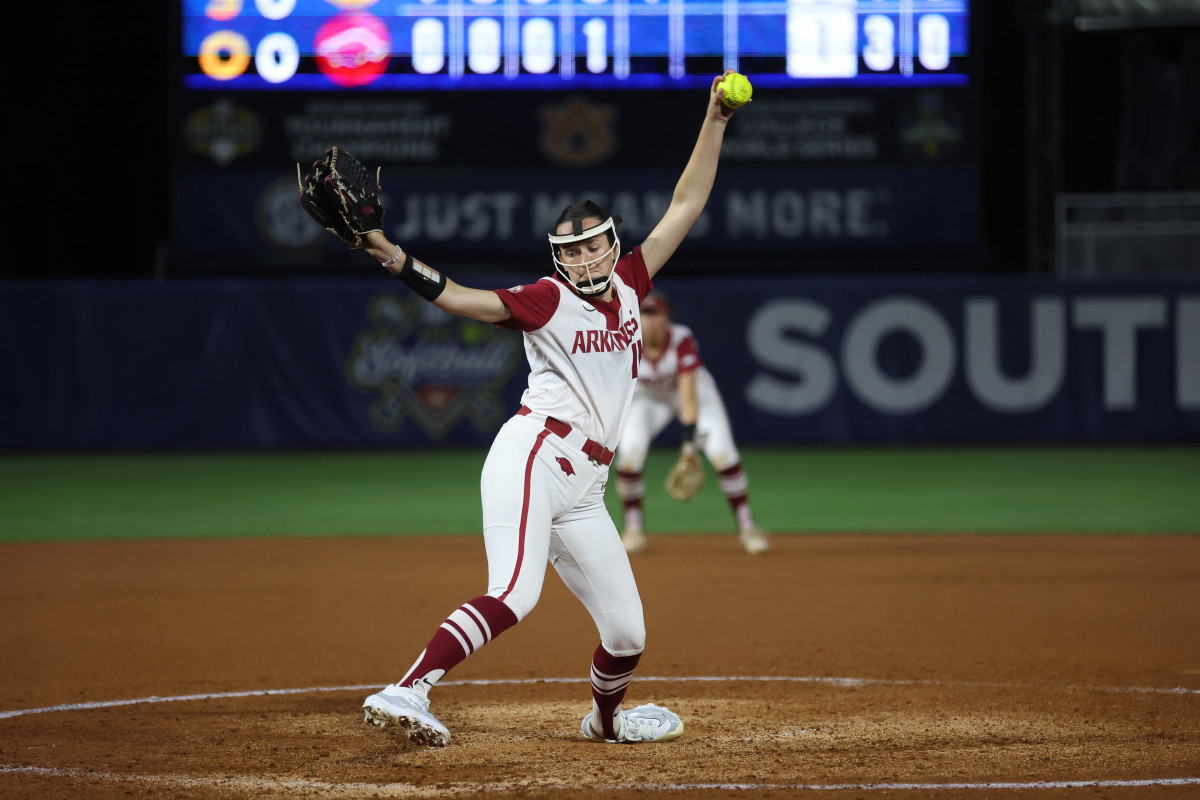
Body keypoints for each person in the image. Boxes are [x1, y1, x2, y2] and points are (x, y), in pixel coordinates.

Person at [352, 72, 745, 747]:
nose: (584, 256)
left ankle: (607, 720)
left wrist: (715, 119)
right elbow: (460, 297)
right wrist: (393, 258)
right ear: (557, 259)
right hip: (536, 455)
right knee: (514, 594)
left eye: (593, 244)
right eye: (571, 250)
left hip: (587, 485)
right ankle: (406, 689)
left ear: (612, 245)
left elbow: (687, 203)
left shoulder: (631, 284)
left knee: (628, 632)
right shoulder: (545, 299)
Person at [615, 291, 768, 556]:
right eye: (643, 314)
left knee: (724, 455)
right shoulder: (625, 341)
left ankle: (748, 528)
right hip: (649, 399)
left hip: (696, 396)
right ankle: (633, 529)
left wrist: (689, 446)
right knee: (628, 455)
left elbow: (687, 398)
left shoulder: (680, 339)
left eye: (655, 314)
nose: (648, 321)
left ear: (666, 319)